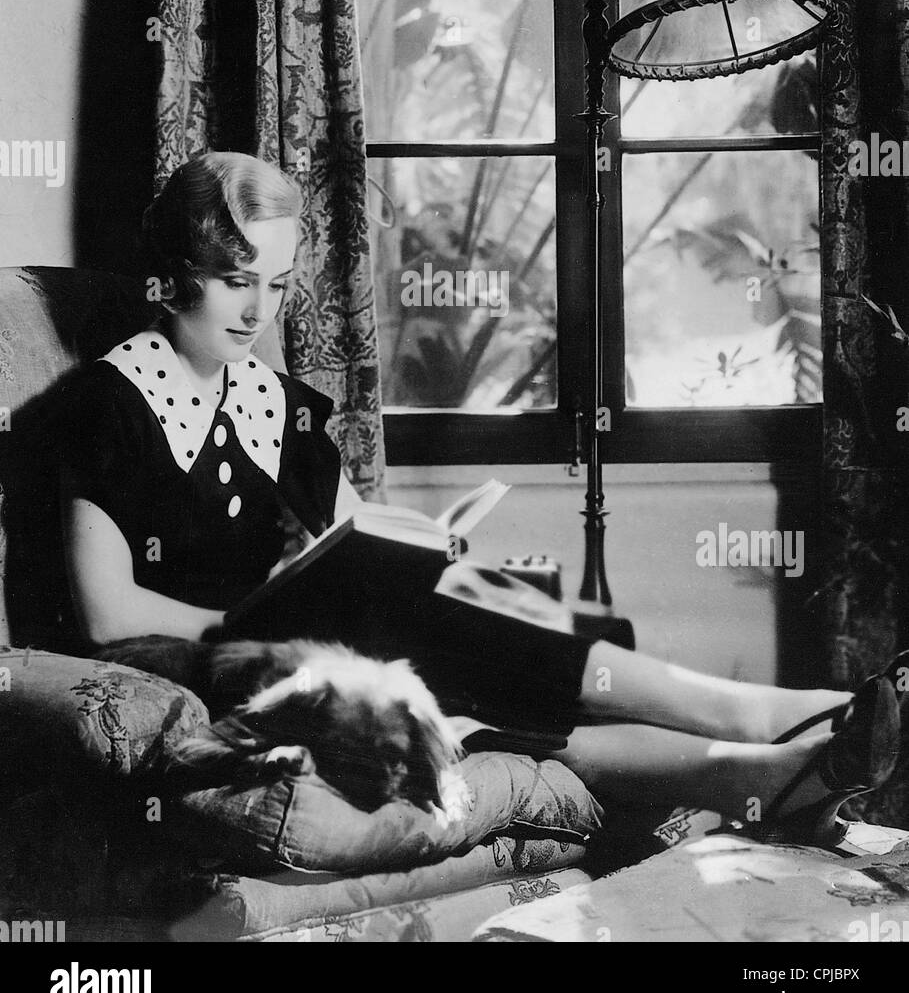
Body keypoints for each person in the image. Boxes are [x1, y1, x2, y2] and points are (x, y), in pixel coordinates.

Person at [55, 151, 904, 844]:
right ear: (180, 272)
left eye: (277, 286)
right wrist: (249, 619)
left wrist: (417, 549)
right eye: (238, 280)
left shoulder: (279, 402)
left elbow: (352, 533)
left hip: (320, 636)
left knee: (479, 610)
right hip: (218, 656)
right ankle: (768, 718)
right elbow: (103, 611)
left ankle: (756, 770)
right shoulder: (109, 402)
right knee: (445, 641)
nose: (258, 311)